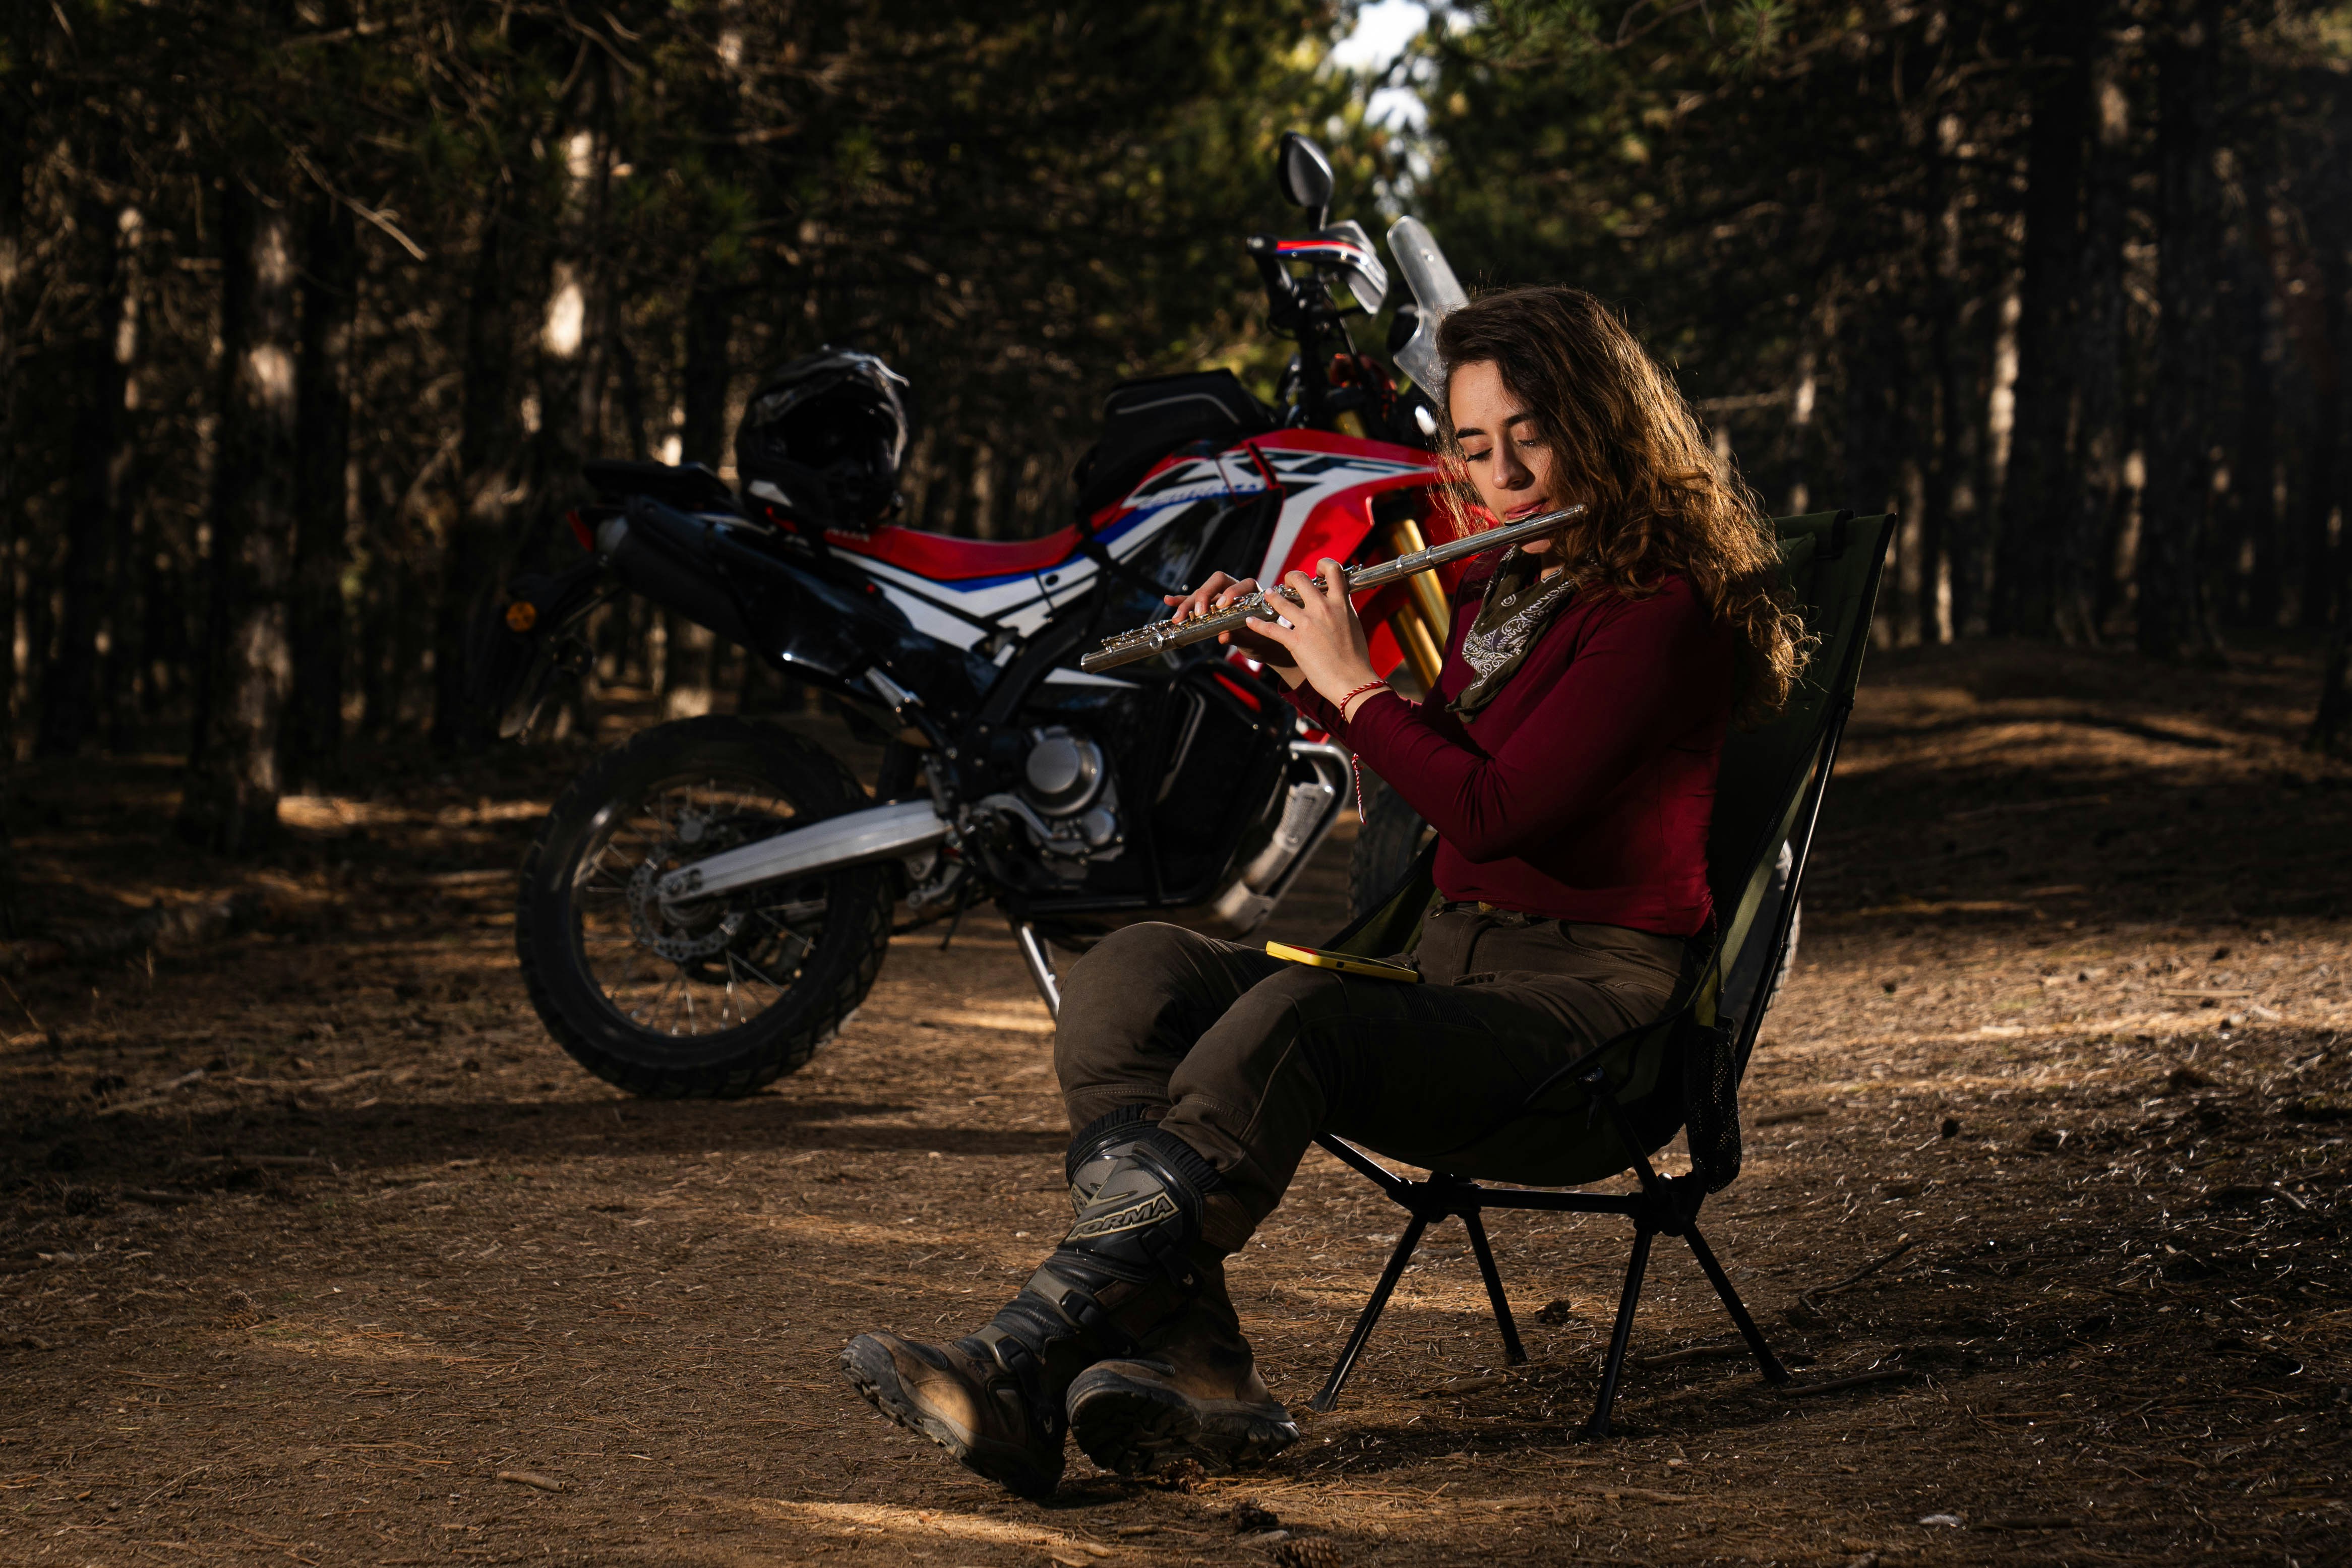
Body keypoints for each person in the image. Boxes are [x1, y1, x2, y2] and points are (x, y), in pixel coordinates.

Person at [838, 285, 1810, 1498]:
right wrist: (1286, 661)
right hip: (1455, 975)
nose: (1501, 472)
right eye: (1470, 444)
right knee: (1128, 976)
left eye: (1533, 431)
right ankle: (1198, 1373)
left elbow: (1496, 811)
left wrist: (1354, 682)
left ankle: (1019, 1358)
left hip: (1587, 1026)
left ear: (1604, 421)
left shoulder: (1660, 606)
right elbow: (1435, 763)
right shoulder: (1516, 587)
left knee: (1298, 1016)